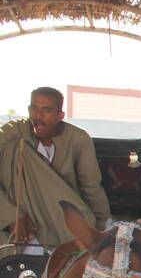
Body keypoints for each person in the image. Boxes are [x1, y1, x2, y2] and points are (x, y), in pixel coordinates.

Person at [0, 87, 110, 246]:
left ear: (60, 116)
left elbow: (91, 187)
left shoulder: (78, 139)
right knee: (15, 148)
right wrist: (11, 215)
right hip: (20, 220)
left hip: (62, 220)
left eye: (47, 110)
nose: (38, 116)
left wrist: (103, 229)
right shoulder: (14, 132)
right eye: (33, 108)